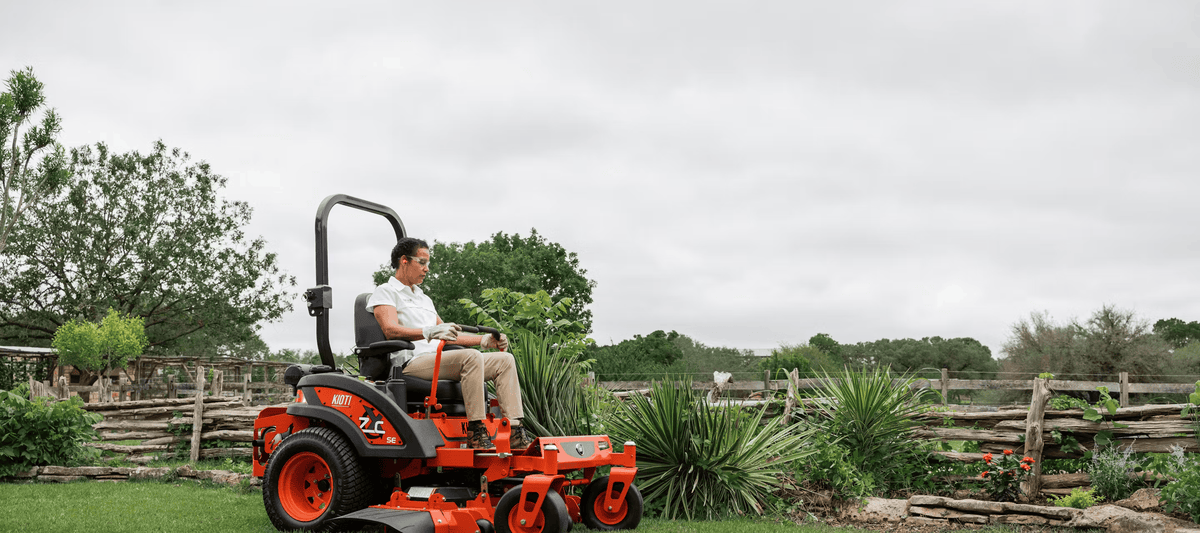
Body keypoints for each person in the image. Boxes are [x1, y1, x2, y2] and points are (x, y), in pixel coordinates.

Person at [366, 237, 534, 450]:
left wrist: (483, 340)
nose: (427, 269)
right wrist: (428, 331)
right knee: (469, 357)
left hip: (437, 360)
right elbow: (390, 330)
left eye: (428, 264)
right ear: (404, 261)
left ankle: (515, 430)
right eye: (422, 262)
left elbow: (448, 334)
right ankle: (476, 430)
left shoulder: (424, 299)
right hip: (411, 363)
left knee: (504, 360)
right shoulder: (386, 291)